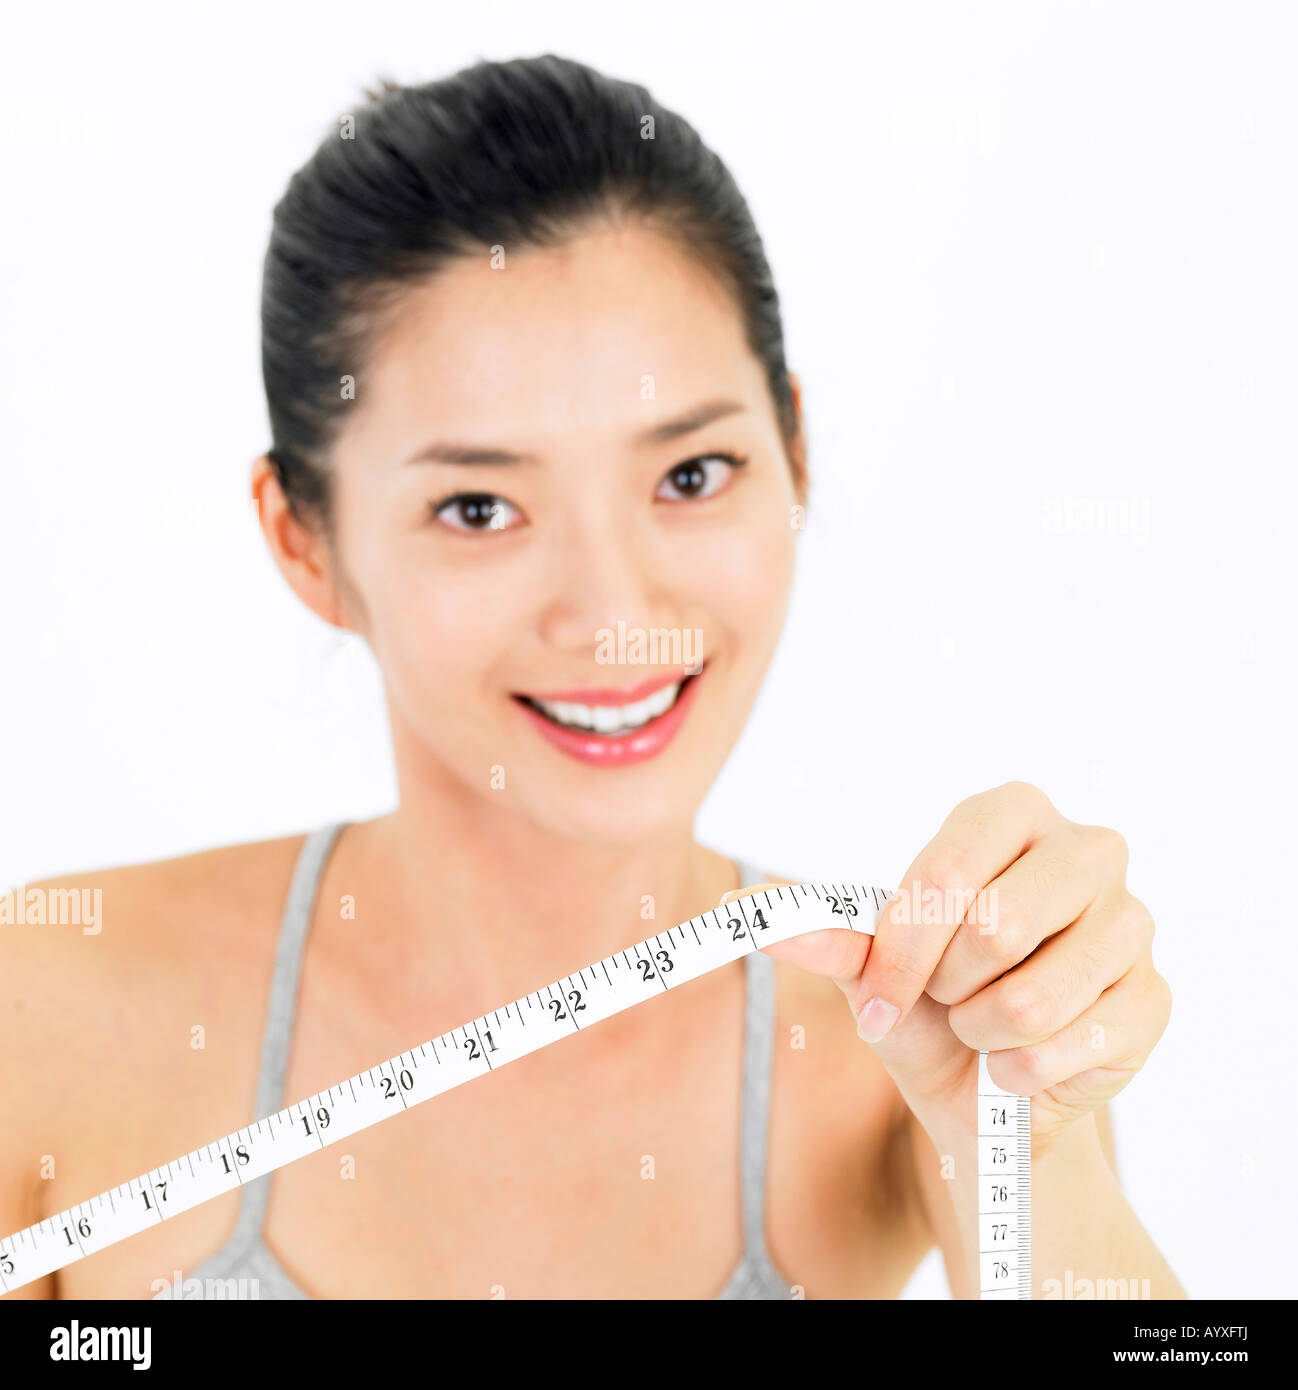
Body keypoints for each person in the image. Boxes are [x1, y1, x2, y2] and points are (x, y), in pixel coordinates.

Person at [0, 54, 1183, 1299]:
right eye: (475, 505)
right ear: (305, 541)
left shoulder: (911, 1045)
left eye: (689, 475)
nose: (616, 612)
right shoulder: (52, 1005)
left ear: (791, 447)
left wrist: (1030, 1149)